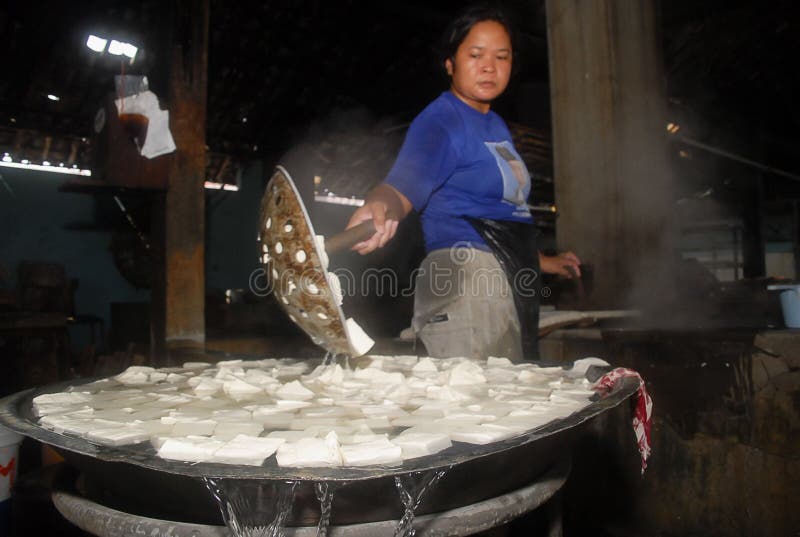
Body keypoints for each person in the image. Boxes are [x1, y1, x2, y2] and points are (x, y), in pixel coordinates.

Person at [346, 4, 580, 361]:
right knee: (482, 396)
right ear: (450, 63)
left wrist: (543, 262)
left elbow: (498, 215)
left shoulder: (494, 124)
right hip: (467, 281)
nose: (489, 66)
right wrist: (382, 204)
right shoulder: (442, 121)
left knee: (507, 393)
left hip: (505, 277)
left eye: (502, 56)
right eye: (476, 55)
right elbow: (407, 180)